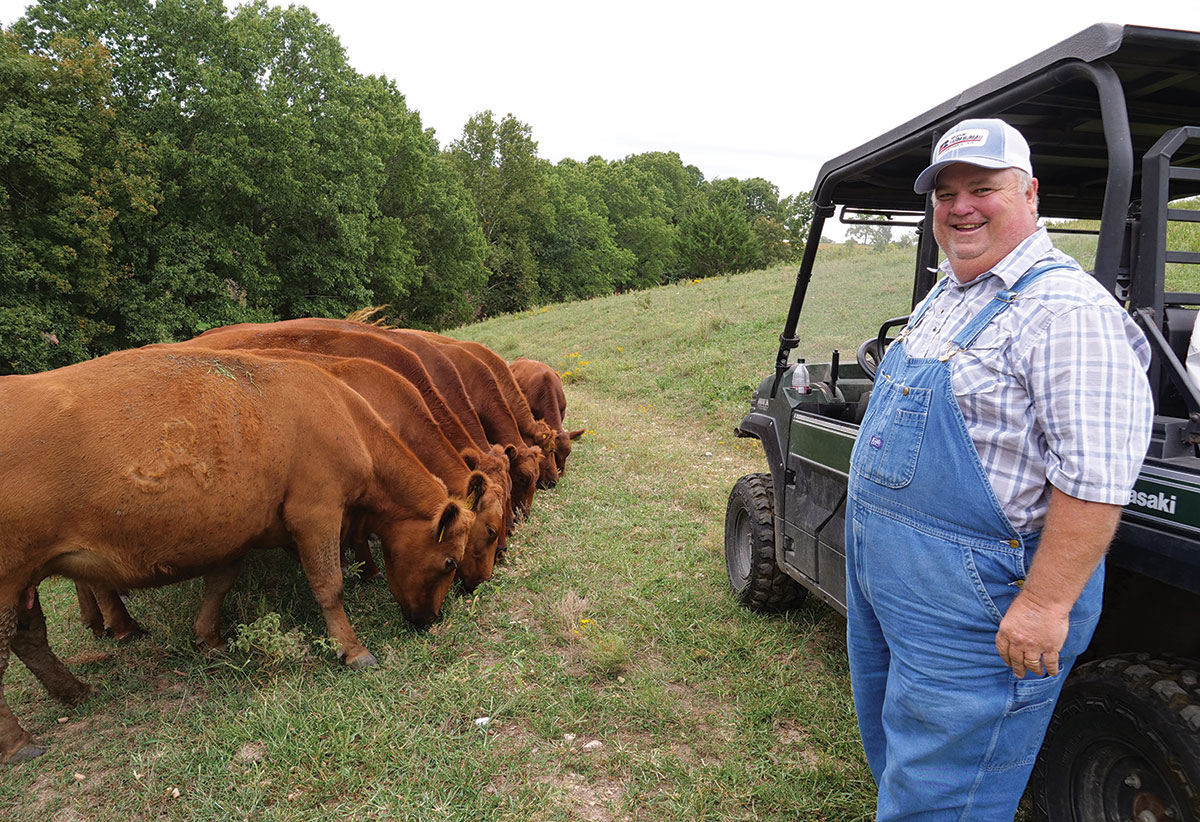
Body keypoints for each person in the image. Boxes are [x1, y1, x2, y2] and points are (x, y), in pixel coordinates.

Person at [844, 118, 1154, 820]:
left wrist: (1044, 606)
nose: (961, 206)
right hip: (899, 587)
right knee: (904, 761)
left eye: (983, 187)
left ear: (1030, 193)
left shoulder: (1067, 311)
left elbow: (1096, 477)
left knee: (949, 797)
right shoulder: (951, 293)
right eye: (946, 192)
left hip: (978, 607)